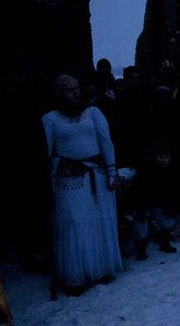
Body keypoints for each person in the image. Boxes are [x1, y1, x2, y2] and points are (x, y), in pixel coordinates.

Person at [42, 75, 124, 296]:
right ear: (59, 93)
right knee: (75, 225)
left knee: (98, 223)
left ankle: (102, 269)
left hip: (97, 176)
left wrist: (112, 173)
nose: (75, 92)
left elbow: (107, 144)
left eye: (77, 88)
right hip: (68, 180)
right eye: (69, 89)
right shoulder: (50, 119)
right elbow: (46, 153)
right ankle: (76, 277)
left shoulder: (93, 113)